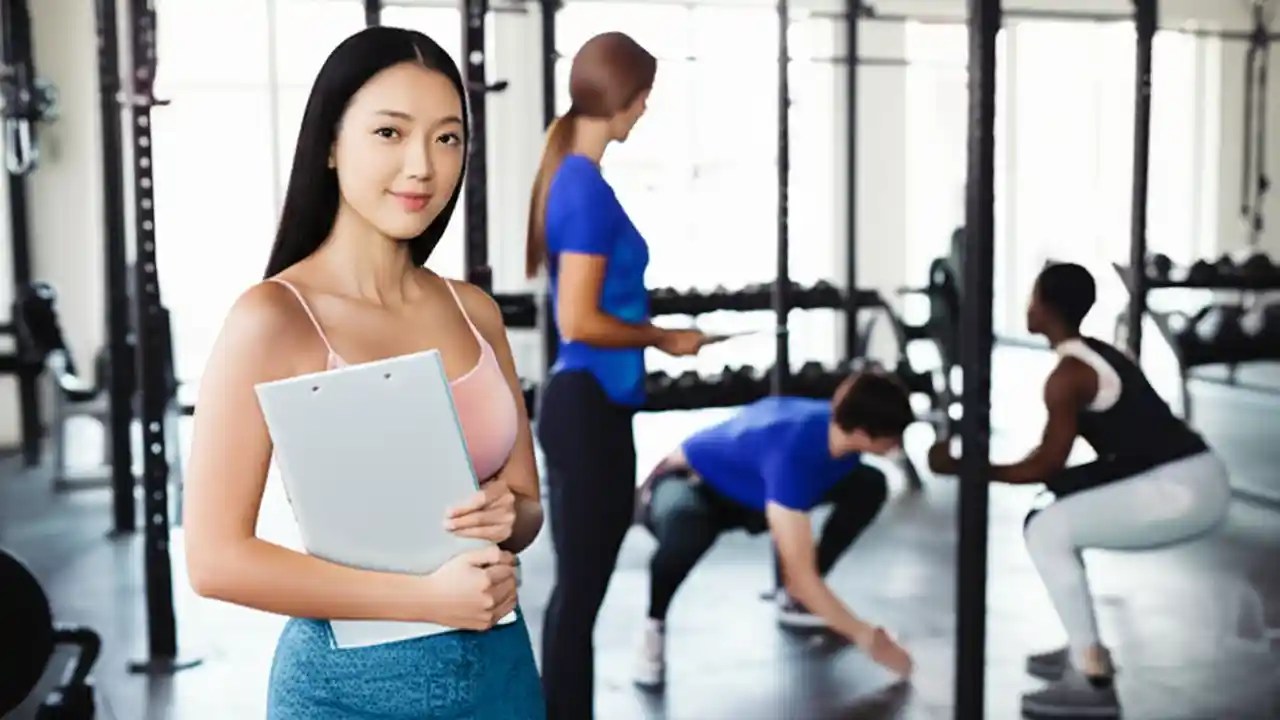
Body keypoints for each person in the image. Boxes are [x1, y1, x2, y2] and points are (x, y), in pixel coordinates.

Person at [182, 28, 545, 719]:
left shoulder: (474, 312)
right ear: (329, 144)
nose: (423, 166)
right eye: (389, 132)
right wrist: (428, 599)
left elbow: (527, 508)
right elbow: (215, 560)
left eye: (447, 138)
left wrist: (509, 513)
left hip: (500, 668)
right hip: (352, 690)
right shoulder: (274, 319)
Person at [928, 262, 1231, 720]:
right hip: (1189, 475)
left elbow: (1045, 462)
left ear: (1045, 307)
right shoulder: (1094, 354)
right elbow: (1057, 471)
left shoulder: (1069, 375)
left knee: (1047, 527)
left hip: (1183, 487)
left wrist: (963, 468)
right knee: (1053, 506)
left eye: (1032, 296)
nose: (1028, 305)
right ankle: (1080, 644)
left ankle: (1092, 678)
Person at [524, 31, 710, 719]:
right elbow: (579, 320)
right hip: (588, 407)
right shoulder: (583, 188)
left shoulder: (576, 178)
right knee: (579, 596)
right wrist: (665, 336)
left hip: (594, 407)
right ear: (623, 98)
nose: (645, 111)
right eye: (644, 98)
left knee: (580, 595)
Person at [630, 370, 918, 688]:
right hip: (692, 484)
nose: (897, 444)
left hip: (754, 491)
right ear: (864, 433)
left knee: (869, 484)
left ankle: (794, 602)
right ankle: (652, 628)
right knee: (688, 534)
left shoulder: (839, 428)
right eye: (893, 436)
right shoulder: (793, 458)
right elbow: (801, 578)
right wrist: (869, 638)